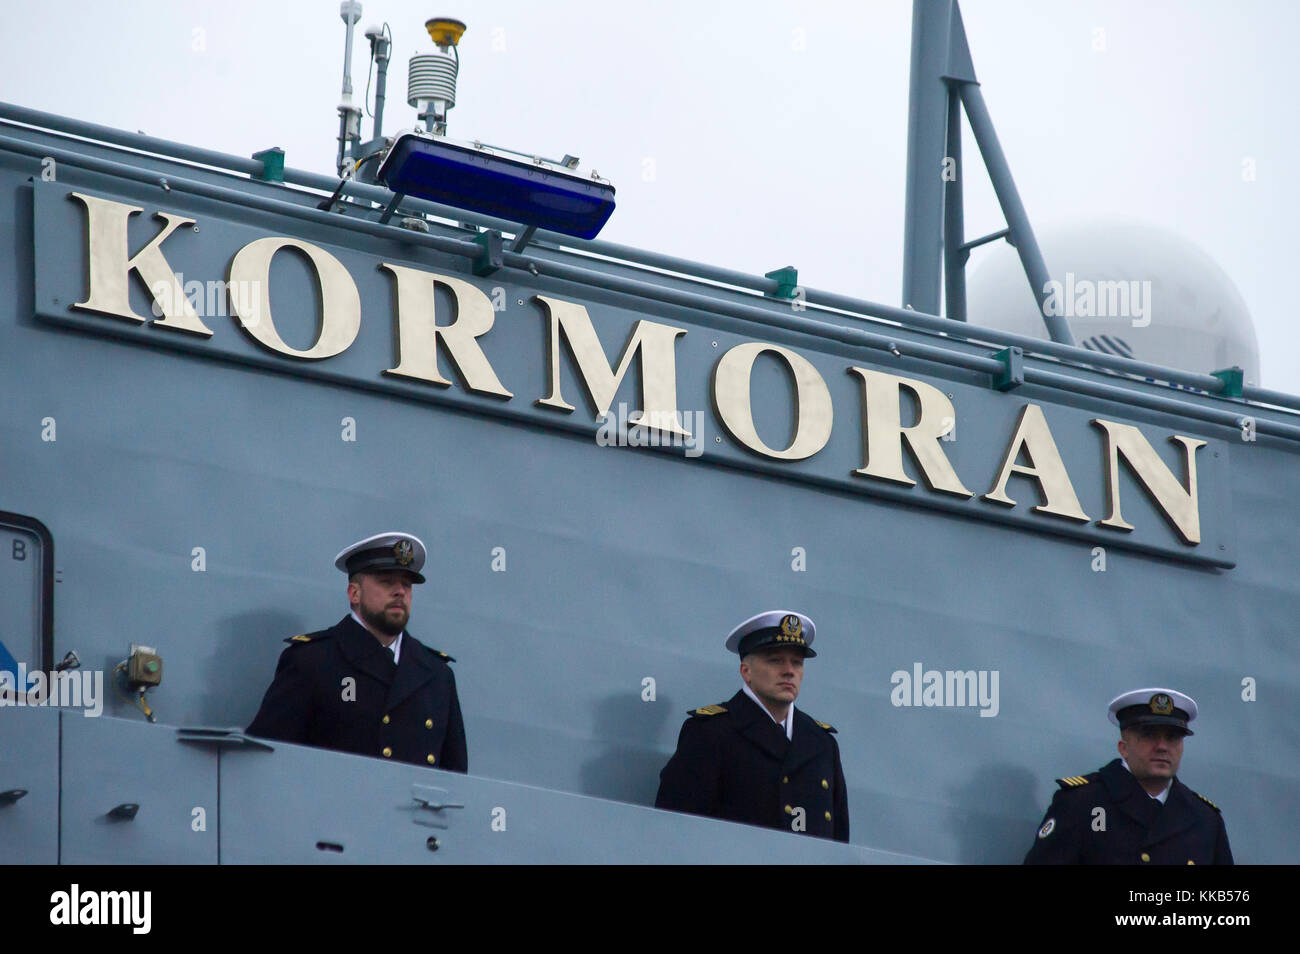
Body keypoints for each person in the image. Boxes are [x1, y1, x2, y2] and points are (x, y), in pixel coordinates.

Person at [246, 531, 467, 772]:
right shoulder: (312, 661)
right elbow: (266, 762)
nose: (400, 592)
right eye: (387, 582)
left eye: (406, 584)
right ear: (354, 593)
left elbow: (454, 777)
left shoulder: (437, 675)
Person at [654, 610, 849, 842]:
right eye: (775, 660)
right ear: (746, 671)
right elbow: (675, 829)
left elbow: (839, 841)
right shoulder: (711, 732)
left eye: (797, 663)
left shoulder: (822, 743)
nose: (789, 671)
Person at [1024, 687, 1231, 864]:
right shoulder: (1082, 804)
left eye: (1172, 737)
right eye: (1148, 735)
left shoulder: (1205, 820)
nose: (1162, 747)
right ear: (1123, 748)